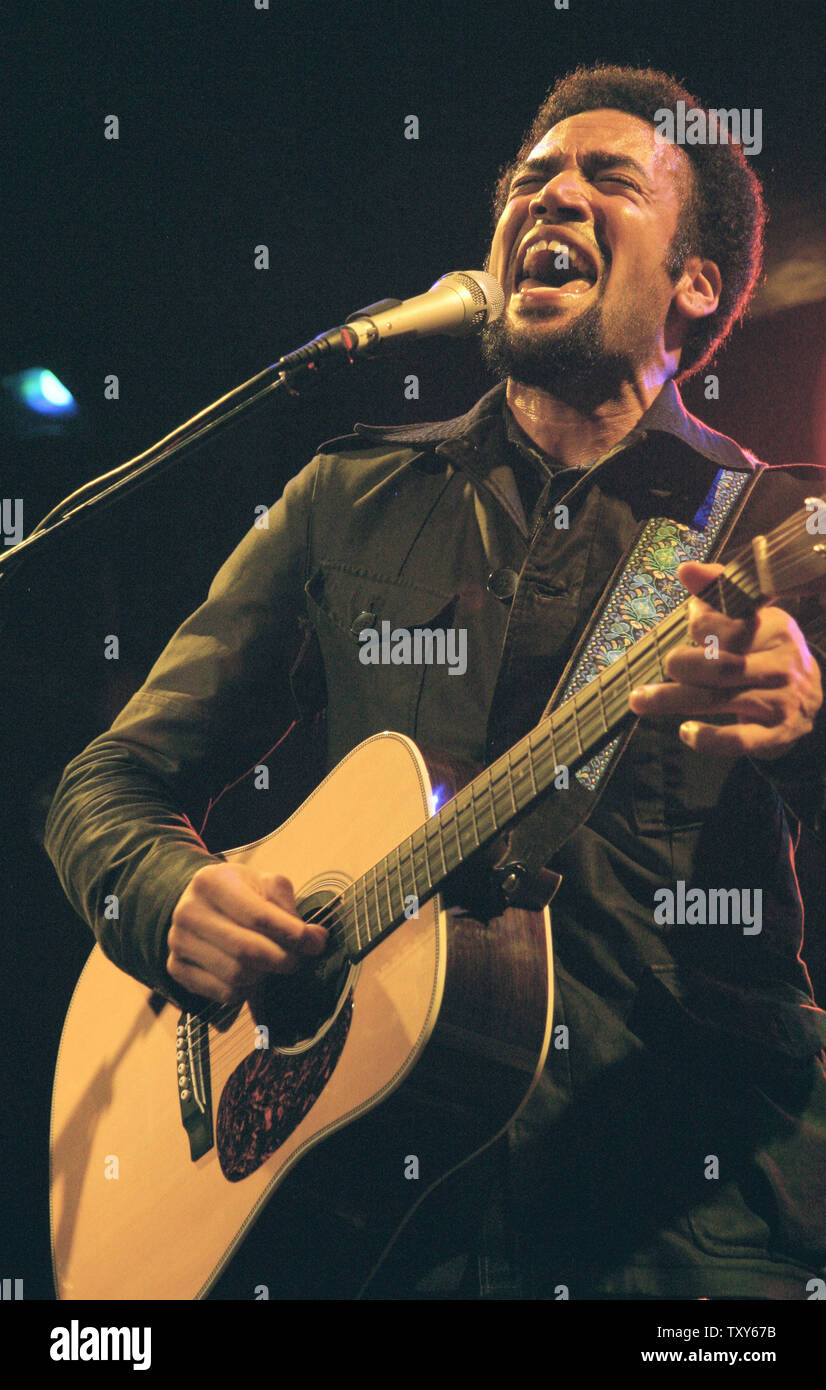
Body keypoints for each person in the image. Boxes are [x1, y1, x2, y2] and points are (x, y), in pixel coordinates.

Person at [45, 64, 826, 1300]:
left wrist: (803, 732)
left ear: (696, 283)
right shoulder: (342, 497)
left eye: (607, 180)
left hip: (687, 1235)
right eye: (531, 180)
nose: (551, 196)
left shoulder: (779, 528)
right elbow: (111, 779)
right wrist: (164, 893)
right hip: (375, 1244)